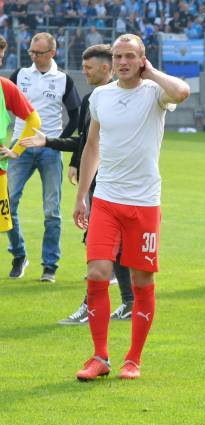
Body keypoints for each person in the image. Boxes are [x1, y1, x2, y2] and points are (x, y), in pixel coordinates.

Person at [72, 34, 190, 381]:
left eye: (130, 57)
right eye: (118, 56)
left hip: (143, 203)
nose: (123, 62)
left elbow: (182, 92)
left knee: (141, 281)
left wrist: (151, 73)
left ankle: (133, 359)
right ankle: (99, 356)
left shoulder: (156, 93)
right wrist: (82, 196)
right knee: (97, 274)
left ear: (142, 59)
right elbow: (92, 145)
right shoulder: (101, 97)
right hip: (106, 199)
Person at [15, 44, 136, 324]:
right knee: (109, 247)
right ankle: (128, 302)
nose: (84, 72)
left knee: (101, 248)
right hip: (98, 184)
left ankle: (91, 308)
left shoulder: (125, 97)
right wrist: (50, 142)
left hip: (117, 184)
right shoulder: (91, 99)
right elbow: (85, 142)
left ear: (107, 68)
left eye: (89, 68)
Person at [6, 32, 81, 281]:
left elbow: (75, 114)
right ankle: (19, 255)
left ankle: (50, 266)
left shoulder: (63, 80)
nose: (33, 56)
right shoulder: (19, 75)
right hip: (20, 147)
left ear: (52, 53)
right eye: (31, 52)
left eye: (38, 52)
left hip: (50, 148)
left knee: (52, 211)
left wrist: (58, 140)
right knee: (7, 204)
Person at [0, 36, 42, 235]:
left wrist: (16, 150)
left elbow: (34, 120)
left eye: (1, 58)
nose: (0, 62)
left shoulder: (5, 86)